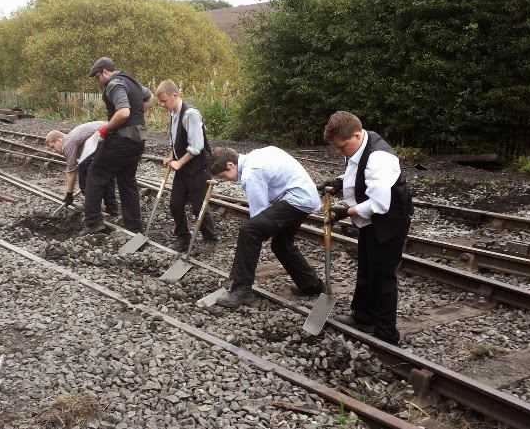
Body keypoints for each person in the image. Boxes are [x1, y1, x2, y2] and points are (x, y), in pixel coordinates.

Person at [321, 111, 412, 346]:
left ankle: (386, 334)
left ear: (357, 135)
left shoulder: (379, 158)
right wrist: (339, 183)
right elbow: (356, 171)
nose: (340, 152)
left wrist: (346, 211)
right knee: (367, 266)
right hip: (371, 221)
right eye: (336, 148)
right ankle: (363, 315)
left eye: (342, 147)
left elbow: (379, 204)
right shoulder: (359, 145)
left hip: (390, 220)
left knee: (383, 275)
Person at [209, 146, 325, 308]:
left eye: (224, 175)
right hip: (303, 196)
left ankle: (242, 289)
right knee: (281, 244)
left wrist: (254, 237)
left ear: (230, 165)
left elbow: (258, 214)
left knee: (249, 231)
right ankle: (310, 285)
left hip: (296, 198)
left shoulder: (250, 173)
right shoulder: (253, 156)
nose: (227, 179)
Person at [82, 56, 153, 236]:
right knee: (126, 180)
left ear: (104, 72)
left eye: (97, 77)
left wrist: (106, 129)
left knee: (95, 171)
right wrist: (136, 115)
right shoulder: (132, 82)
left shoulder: (114, 84)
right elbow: (149, 97)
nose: (98, 81)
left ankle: (93, 222)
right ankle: (133, 227)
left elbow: (123, 112)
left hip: (122, 140)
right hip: (138, 140)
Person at [156, 79, 217, 254]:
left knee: (199, 206)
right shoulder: (173, 113)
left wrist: (179, 162)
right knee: (175, 204)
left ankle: (210, 239)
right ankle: (183, 238)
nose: (162, 104)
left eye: (164, 100)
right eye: (160, 101)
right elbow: (174, 140)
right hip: (183, 170)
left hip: (199, 169)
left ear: (175, 95)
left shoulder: (190, 114)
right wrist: (171, 157)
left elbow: (197, 146)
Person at [45, 121, 119, 216]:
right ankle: (112, 209)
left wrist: (69, 195)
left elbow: (71, 171)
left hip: (106, 135)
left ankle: (90, 204)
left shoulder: (67, 143)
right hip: (113, 136)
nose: (53, 151)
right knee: (105, 174)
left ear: (59, 140)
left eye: (53, 147)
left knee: (84, 167)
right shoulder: (73, 138)